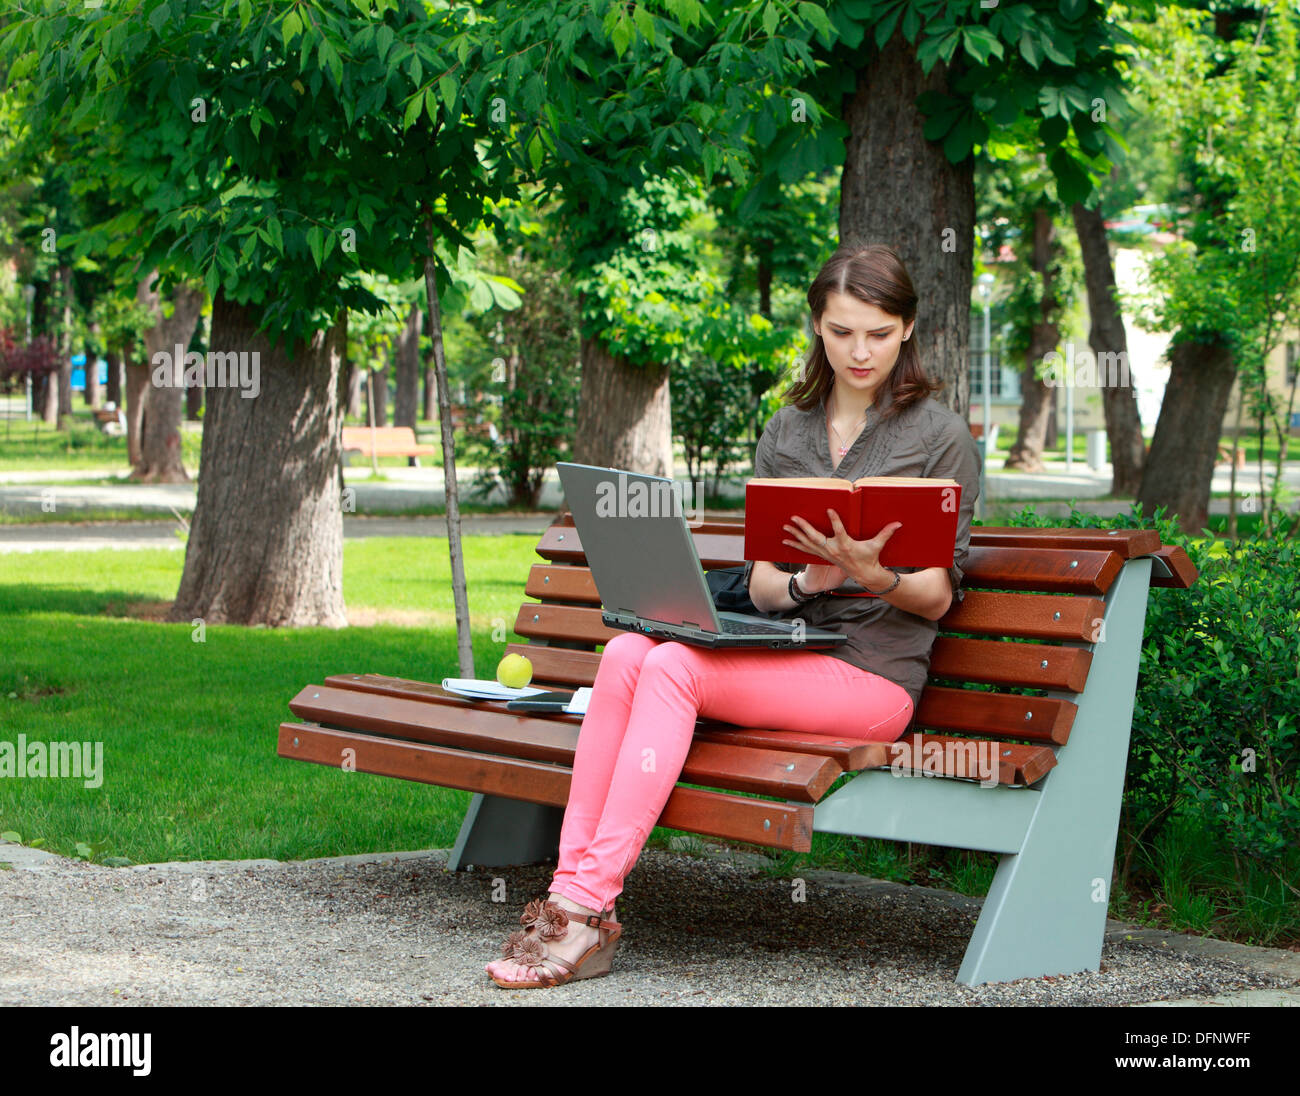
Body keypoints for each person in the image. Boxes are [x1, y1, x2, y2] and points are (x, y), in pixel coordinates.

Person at [486, 243, 982, 989]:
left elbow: (938, 596)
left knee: (674, 666)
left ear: (907, 328)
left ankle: (585, 910)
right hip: (790, 647)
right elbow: (760, 591)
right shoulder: (788, 432)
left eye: (878, 333)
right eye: (843, 331)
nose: (860, 350)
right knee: (627, 654)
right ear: (818, 324)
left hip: (873, 674)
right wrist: (811, 582)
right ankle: (571, 903)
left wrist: (874, 575)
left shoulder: (938, 437)